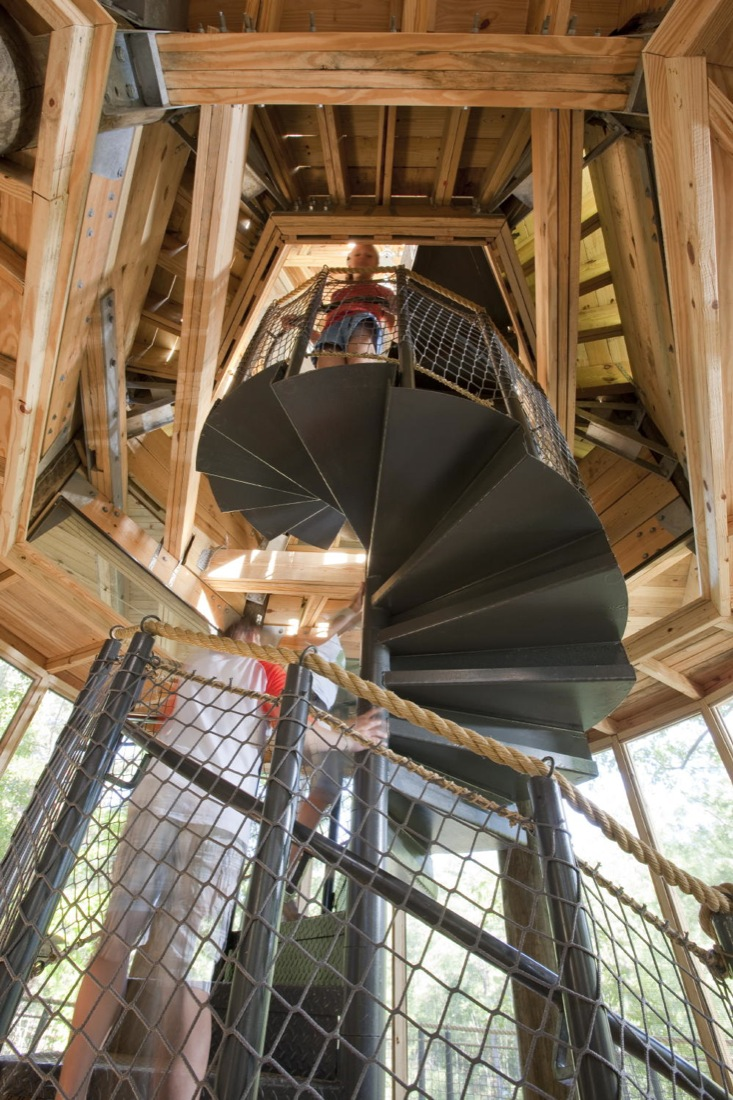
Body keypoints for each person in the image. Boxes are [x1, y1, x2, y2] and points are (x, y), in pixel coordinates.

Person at [55, 609, 386, 1100]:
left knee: (113, 949)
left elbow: (303, 652)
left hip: (157, 797)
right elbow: (295, 723)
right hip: (221, 821)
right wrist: (349, 732)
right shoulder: (263, 665)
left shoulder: (194, 660)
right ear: (256, 635)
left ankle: (70, 1092)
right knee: (191, 975)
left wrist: (339, 622)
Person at [311, 242, 395, 369]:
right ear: (349, 262)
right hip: (333, 326)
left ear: (376, 265)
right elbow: (325, 333)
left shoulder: (382, 290)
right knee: (327, 365)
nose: (362, 258)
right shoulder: (337, 294)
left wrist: (396, 310)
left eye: (368, 256)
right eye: (357, 254)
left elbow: (394, 327)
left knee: (359, 353)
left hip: (362, 320)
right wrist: (303, 326)